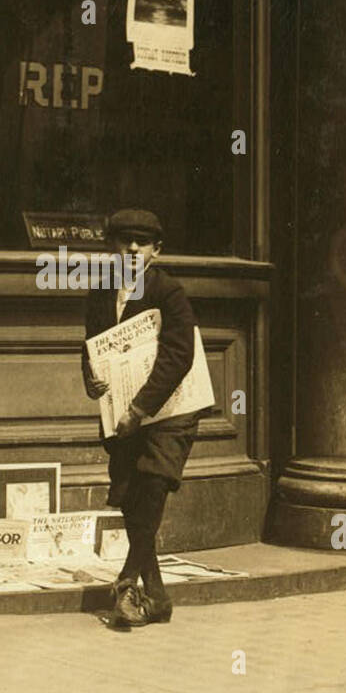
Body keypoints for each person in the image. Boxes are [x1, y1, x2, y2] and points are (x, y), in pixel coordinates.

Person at [82, 209, 202, 630]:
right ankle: (158, 596)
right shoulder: (100, 292)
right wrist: (91, 381)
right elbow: (91, 347)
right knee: (133, 498)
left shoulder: (168, 291)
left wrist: (140, 409)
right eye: (124, 240)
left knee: (152, 487)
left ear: (156, 249)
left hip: (167, 413)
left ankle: (127, 580)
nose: (132, 248)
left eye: (142, 242)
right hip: (123, 418)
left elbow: (179, 355)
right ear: (110, 246)